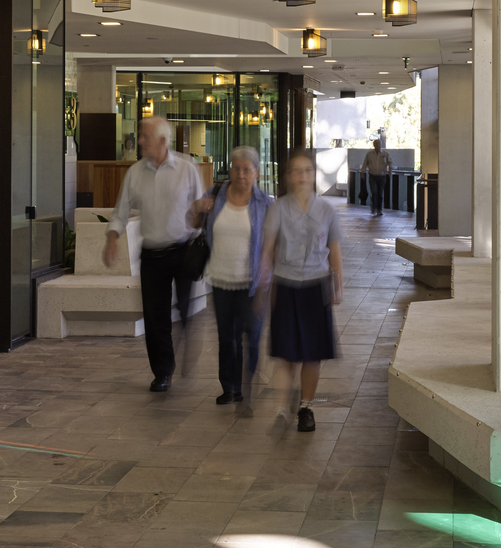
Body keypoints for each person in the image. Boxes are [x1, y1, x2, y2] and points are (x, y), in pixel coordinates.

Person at [103, 116, 203, 391]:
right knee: (155, 318)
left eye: (145, 136)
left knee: (184, 310)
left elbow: (200, 207)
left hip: (183, 251)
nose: (140, 140)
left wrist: (202, 219)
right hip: (152, 256)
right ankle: (163, 372)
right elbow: (120, 212)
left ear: (162, 140)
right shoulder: (135, 172)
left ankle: (187, 343)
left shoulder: (187, 168)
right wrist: (112, 239)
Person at [259, 147, 343, 432]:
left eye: (307, 170)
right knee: (286, 353)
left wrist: (337, 281)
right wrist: (263, 282)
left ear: (313, 175)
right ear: (289, 177)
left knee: (312, 354)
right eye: (296, 171)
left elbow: (334, 249)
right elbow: (268, 249)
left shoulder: (326, 209)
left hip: (315, 286)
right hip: (285, 285)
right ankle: (282, 409)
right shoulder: (278, 208)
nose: (302, 176)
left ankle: (306, 407)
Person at [189, 145, 268, 407]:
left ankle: (248, 383)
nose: (241, 174)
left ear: (256, 173)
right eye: (236, 168)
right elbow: (193, 223)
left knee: (252, 338)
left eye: (247, 169)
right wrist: (197, 208)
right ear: (230, 170)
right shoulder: (216, 194)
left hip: (251, 283)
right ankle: (230, 387)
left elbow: (273, 243)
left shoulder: (265, 204)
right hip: (221, 280)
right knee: (227, 338)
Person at [365, 136, 393, 216]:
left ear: (381, 145)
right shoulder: (369, 154)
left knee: (380, 193)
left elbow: (390, 162)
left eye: (379, 144)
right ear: (374, 145)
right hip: (372, 176)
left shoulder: (385, 154)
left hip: (382, 176)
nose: (378, 145)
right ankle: (374, 207)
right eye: (376, 144)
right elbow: (365, 163)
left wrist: (390, 170)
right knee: (374, 192)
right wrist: (363, 172)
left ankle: (379, 209)